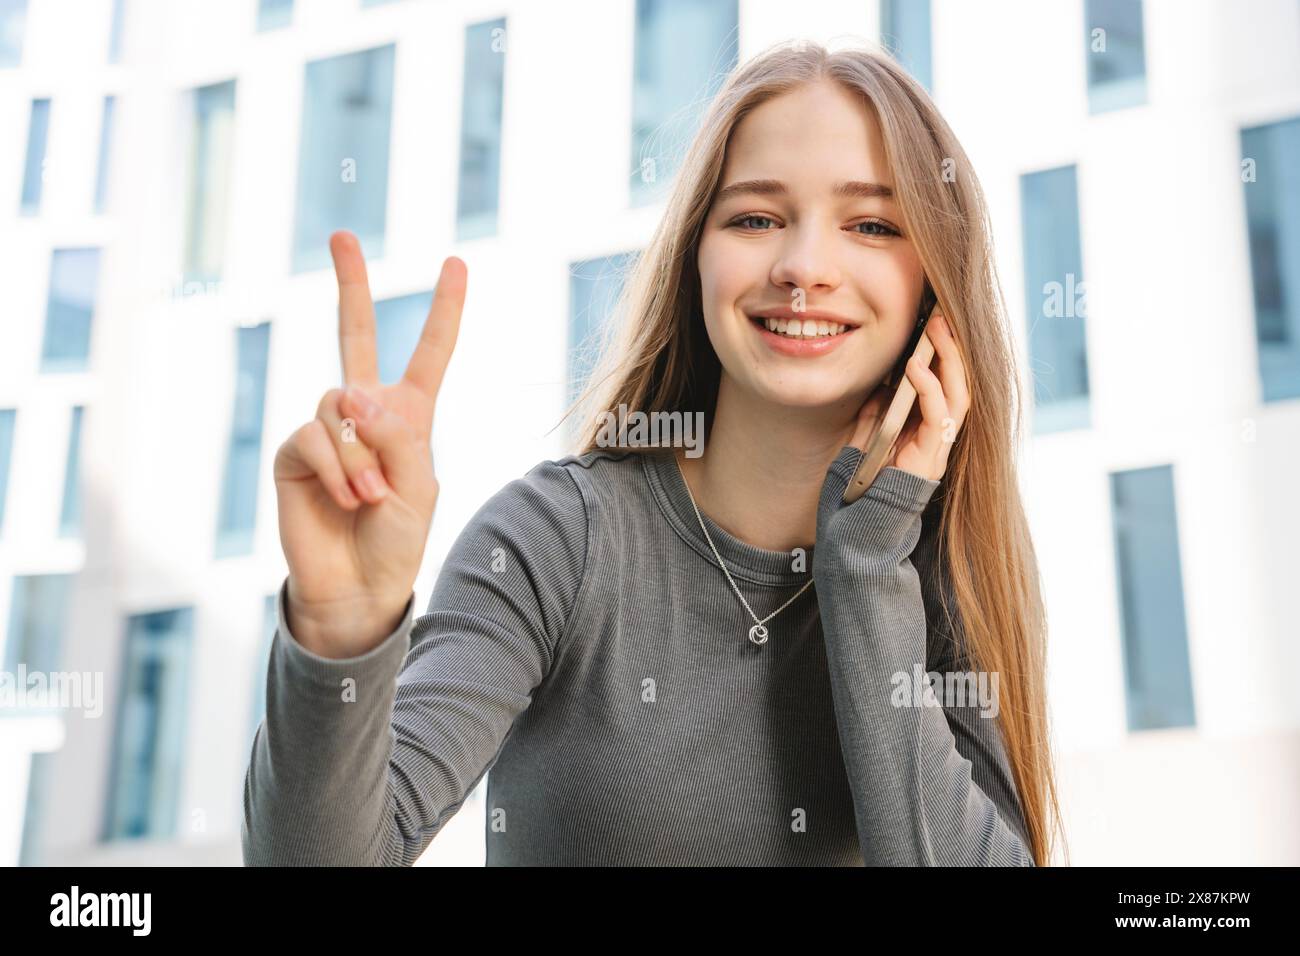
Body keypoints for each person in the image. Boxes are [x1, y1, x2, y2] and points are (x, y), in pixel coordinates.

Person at [242, 39, 1062, 866]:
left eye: (872, 224)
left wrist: (868, 568)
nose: (804, 266)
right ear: (694, 256)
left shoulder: (949, 566)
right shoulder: (555, 539)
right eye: (755, 217)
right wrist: (338, 634)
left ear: (935, 284)